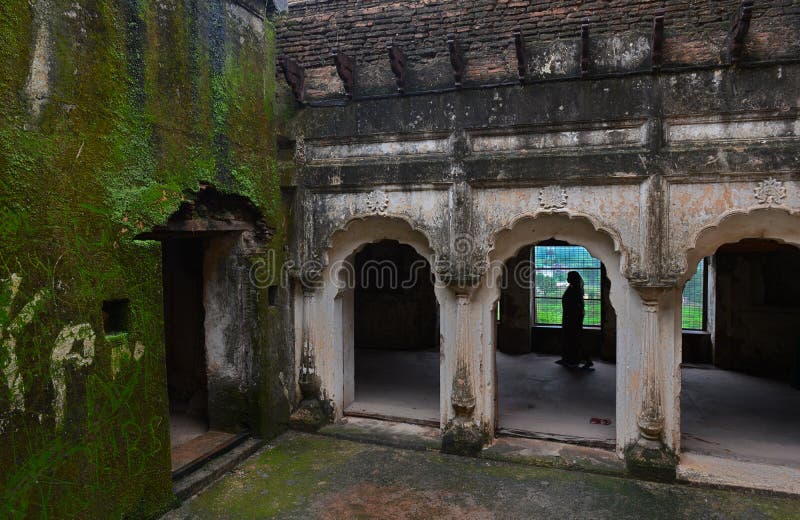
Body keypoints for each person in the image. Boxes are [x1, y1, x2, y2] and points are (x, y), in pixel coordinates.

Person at [556, 271, 594, 371]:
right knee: (569, 339)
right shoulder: (572, 287)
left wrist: (574, 319)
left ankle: (585, 361)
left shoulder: (576, 289)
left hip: (573, 319)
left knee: (576, 340)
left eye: (569, 277)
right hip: (569, 318)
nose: (567, 279)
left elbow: (577, 306)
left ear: (573, 278)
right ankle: (568, 359)